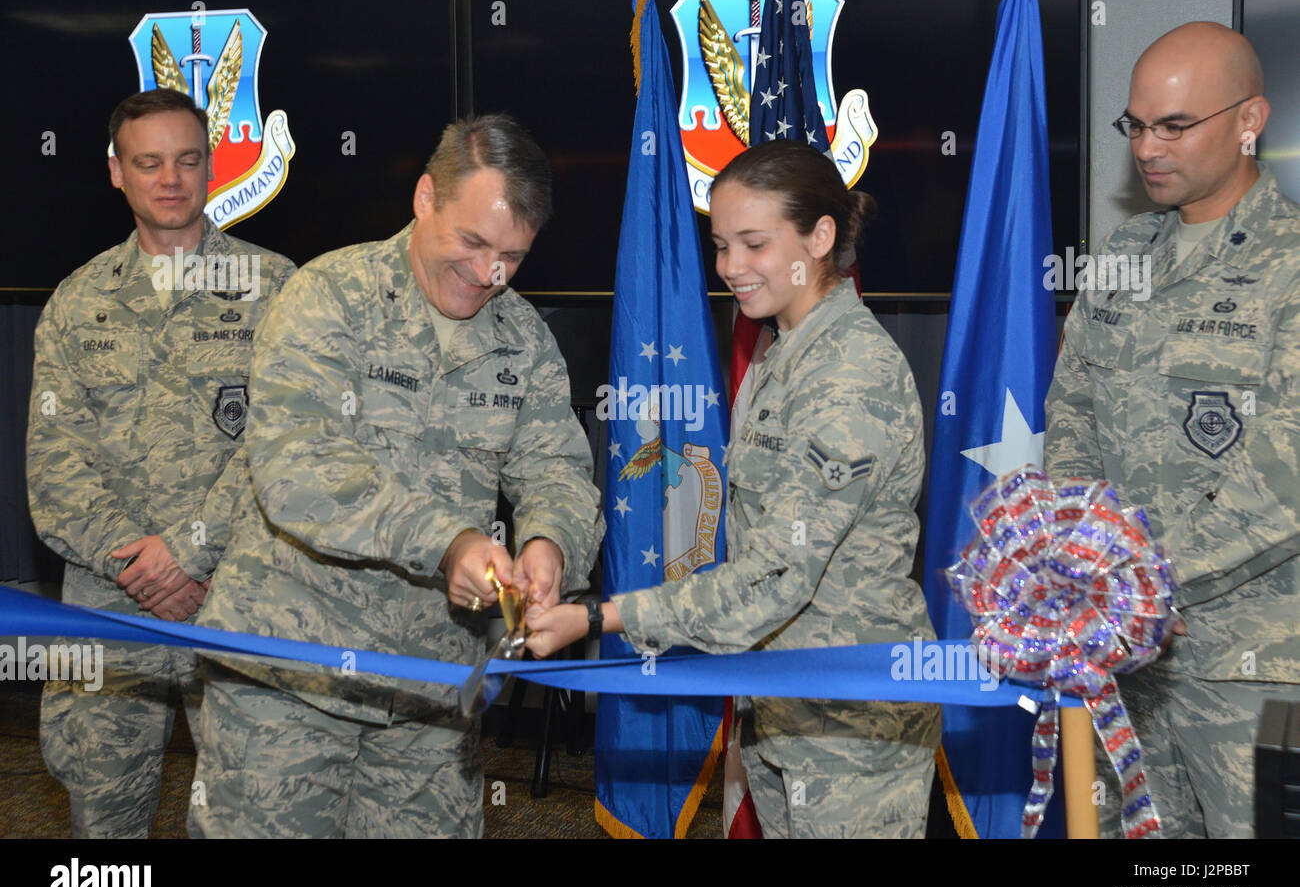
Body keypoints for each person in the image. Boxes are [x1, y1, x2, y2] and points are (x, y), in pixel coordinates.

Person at [187, 113, 603, 839]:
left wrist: (550, 546)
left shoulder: (524, 339)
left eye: (511, 255)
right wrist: (449, 540)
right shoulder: (328, 297)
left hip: (431, 695)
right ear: (423, 198)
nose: (486, 273)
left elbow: (558, 468)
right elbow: (298, 467)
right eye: (471, 242)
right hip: (288, 681)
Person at [527, 139, 941, 838]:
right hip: (785, 701)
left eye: (753, 243)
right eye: (720, 245)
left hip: (854, 726)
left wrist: (602, 618)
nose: (729, 268)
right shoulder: (787, 352)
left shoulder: (850, 373)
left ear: (820, 236)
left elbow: (774, 578)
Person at [1045, 22, 1300, 838]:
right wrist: (1091, 563)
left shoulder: (1290, 267)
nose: (1148, 148)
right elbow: (1073, 415)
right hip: (1128, 663)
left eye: (1174, 126)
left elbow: (1283, 474)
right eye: (1136, 126)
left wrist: (1147, 582)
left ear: (1250, 119)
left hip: (1251, 669)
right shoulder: (1122, 255)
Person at [26, 88, 296, 837]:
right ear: (117, 172)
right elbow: (56, 466)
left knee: (253, 814)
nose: (170, 179)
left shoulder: (281, 290)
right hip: (110, 609)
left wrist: (188, 552)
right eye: (149, 163)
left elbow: (290, 448)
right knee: (102, 823)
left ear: (212, 166)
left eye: (186, 160)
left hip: (239, 595)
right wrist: (143, 570)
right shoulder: (77, 303)